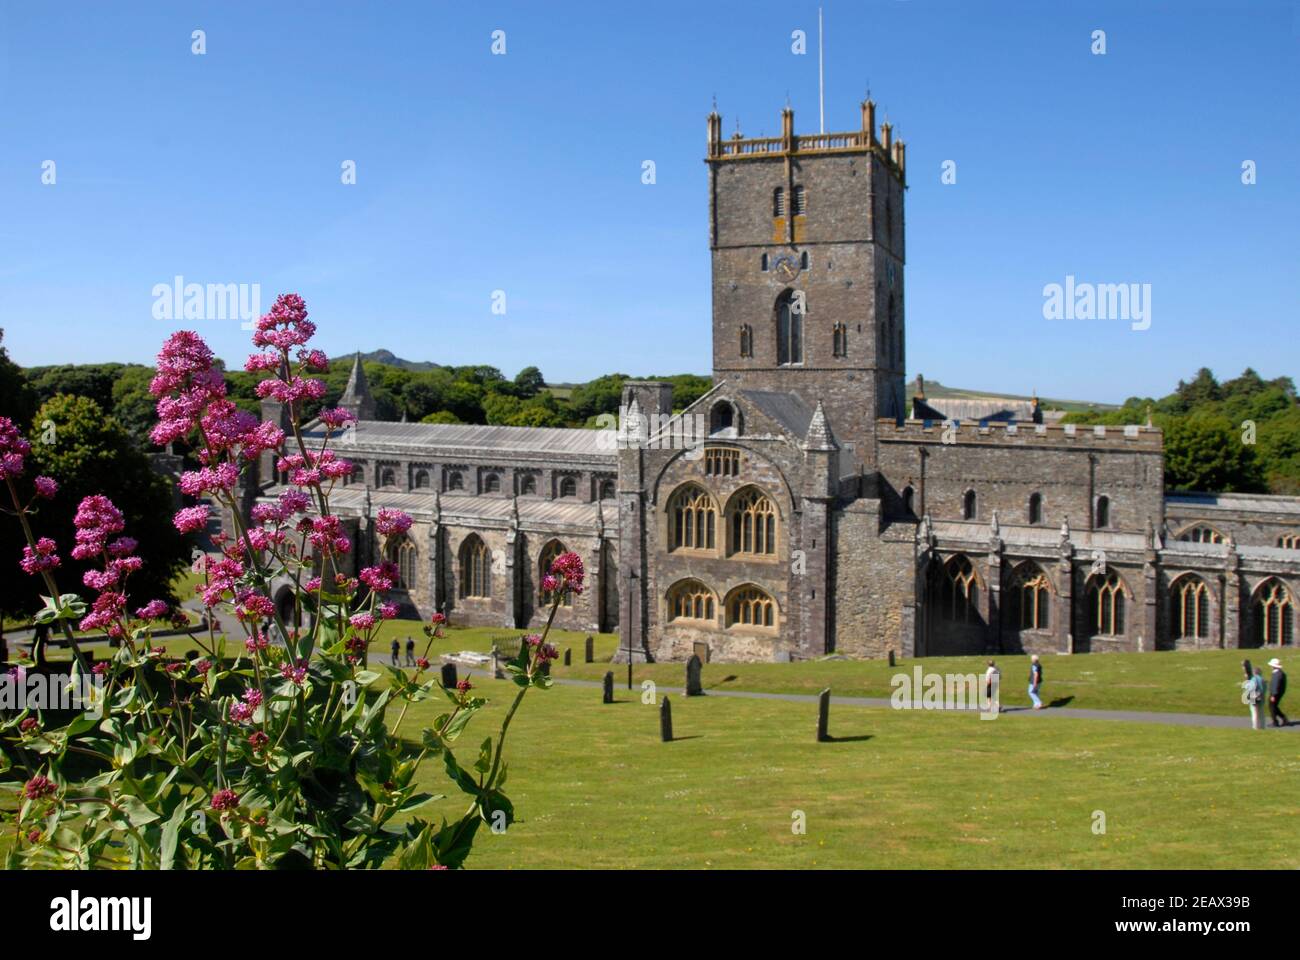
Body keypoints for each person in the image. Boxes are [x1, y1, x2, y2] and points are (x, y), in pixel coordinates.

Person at [1242, 665, 1265, 730]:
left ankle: (1255, 727)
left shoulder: (1254, 679)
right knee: (1261, 714)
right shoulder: (1262, 679)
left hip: (1254, 698)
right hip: (1262, 698)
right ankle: (1262, 727)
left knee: (1254, 714)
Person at [1268, 658, 1288, 727]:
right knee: (1274, 706)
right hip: (1278, 692)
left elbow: (1276, 684)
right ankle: (1283, 718)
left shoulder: (1277, 674)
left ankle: (1275, 722)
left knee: (1272, 706)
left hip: (1275, 693)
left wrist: (1273, 695)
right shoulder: (1280, 673)